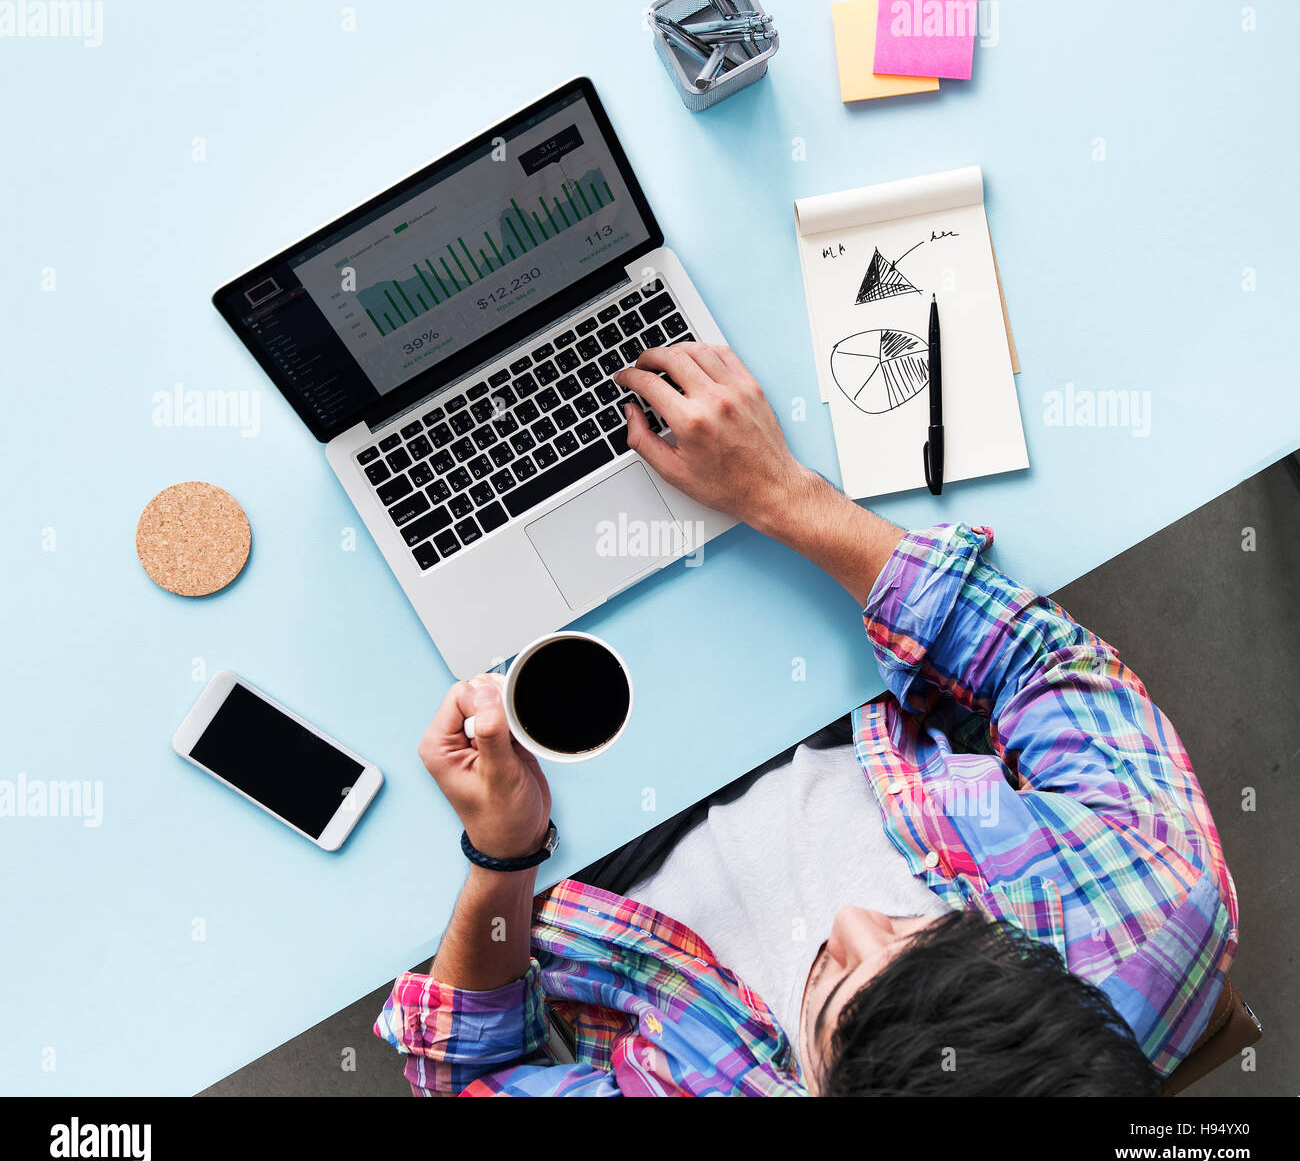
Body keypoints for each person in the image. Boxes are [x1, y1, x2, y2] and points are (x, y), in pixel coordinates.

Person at [374, 342, 1237, 1096]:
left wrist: (502, 855)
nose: (852, 920)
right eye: (925, 927)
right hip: (831, 690)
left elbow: (472, 1075)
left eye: (832, 980)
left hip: (579, 839)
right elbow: (1040, 664)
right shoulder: (1151, 918)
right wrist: (782, 492)